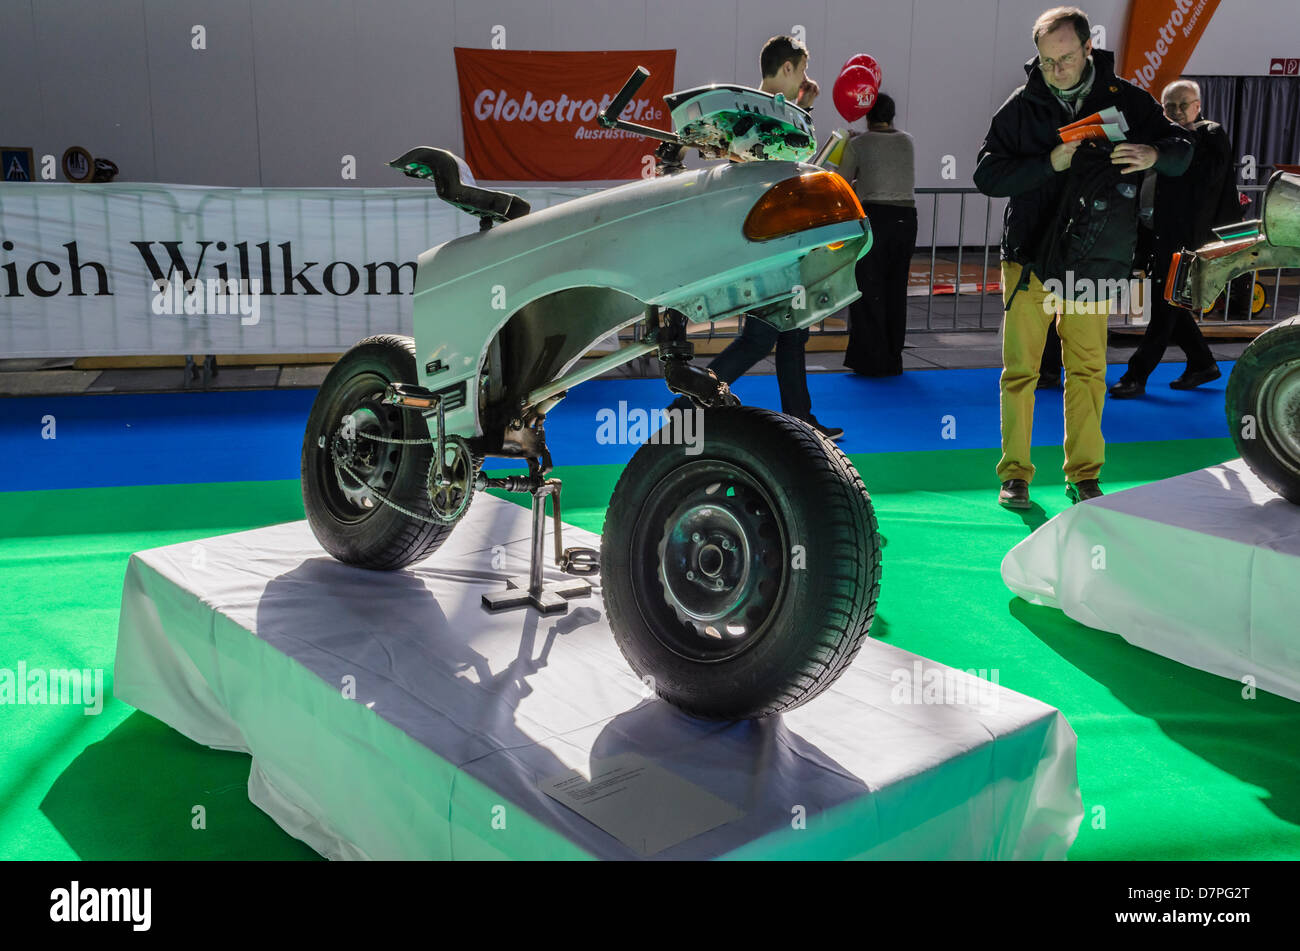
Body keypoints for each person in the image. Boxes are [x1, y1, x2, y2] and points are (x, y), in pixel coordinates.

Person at [974, 6, 1192, 510]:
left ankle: (1085, 475)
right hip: (1028, 256)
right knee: (1020, 371)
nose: (1057, 72)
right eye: (1047, 62)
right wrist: (1048, 163)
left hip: (1093, 259)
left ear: (1088, 48)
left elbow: (1182, 148)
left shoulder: (1127, 99)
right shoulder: (1022, 105)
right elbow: (988, 176)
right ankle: (1015, 475)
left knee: (1089, 369)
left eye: (1066, 59)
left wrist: (1152, 155)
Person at [693, 35, 842, 440]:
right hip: (761, 240)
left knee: (793, 331)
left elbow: (785, 158)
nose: (806, 79)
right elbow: (776, 160)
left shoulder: (762, 110)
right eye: (803, 70)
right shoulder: (752, 112)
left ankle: (802, 420)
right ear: (788, 68)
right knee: (760, 337)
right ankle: (687, 402)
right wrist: (803, 111)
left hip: (776, 237)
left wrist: (803, 108)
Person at [1108, 79, 1237, 398]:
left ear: (1198, 106)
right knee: (1167, 302)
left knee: (1166, 303)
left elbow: (1205, 180)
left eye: (1184, 105)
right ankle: (1202, 363)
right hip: (1155, 233)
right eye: (1170, 106)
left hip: (1188, 238)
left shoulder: (1209, 134)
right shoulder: (1160, 137)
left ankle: (1136, 375)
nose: (1178, 112)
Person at [837, 93, 918, 376]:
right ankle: (893, 358)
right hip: (906, 219)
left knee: (868, 288)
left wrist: (848, 144)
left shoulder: (858, 144)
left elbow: (844, 182)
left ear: (866, 115)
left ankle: (869, 360)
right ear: (892, 115)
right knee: (895, 289)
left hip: (874, 219)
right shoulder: (907, 141)